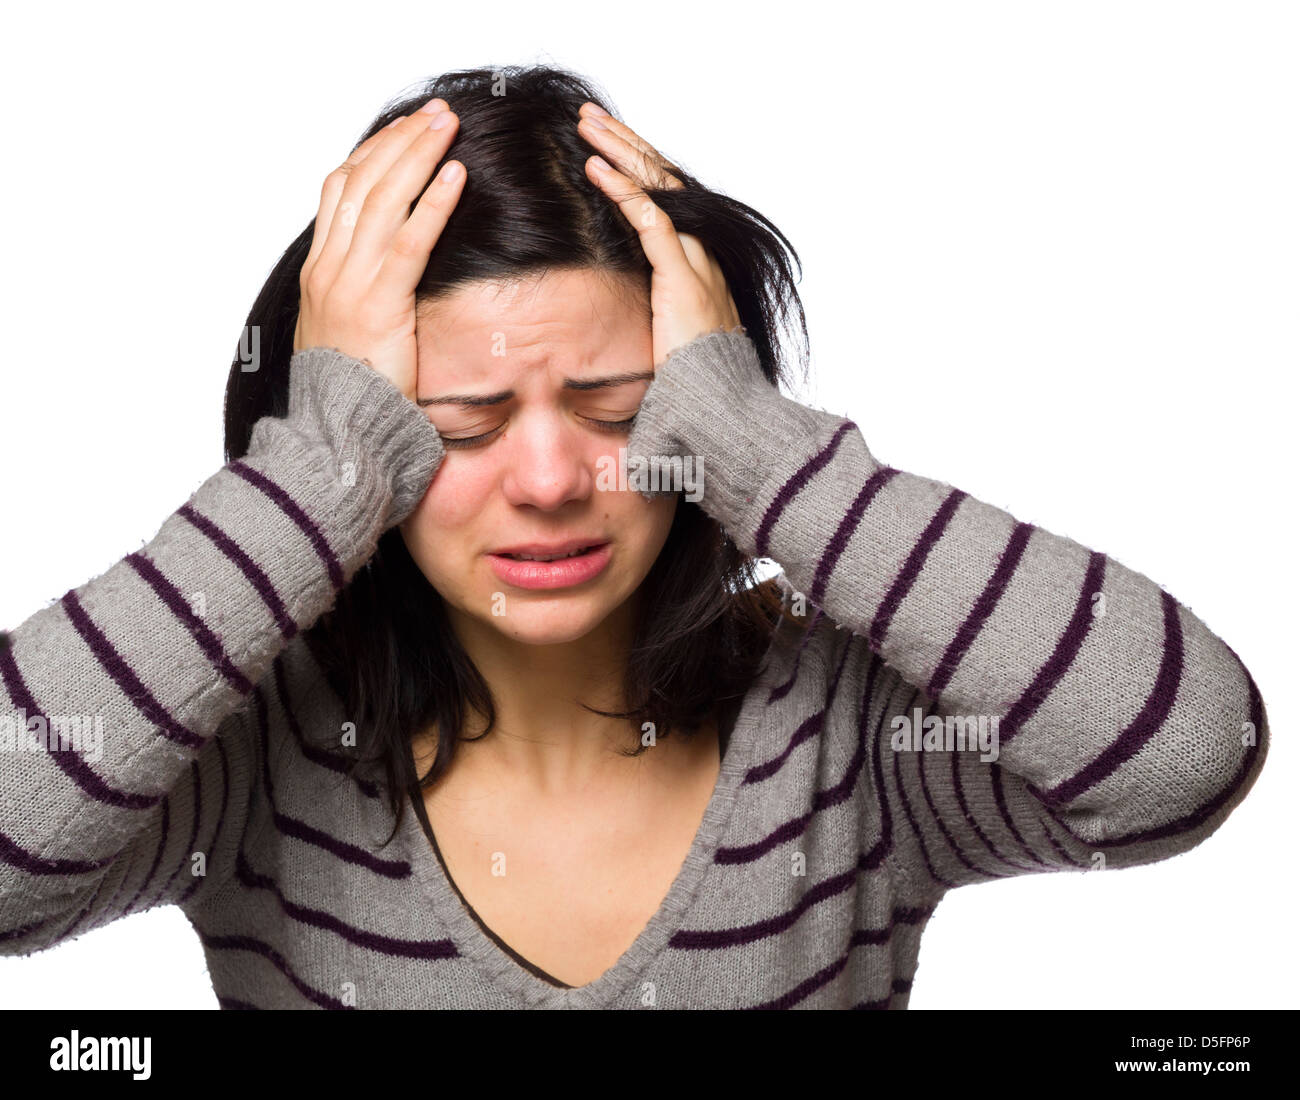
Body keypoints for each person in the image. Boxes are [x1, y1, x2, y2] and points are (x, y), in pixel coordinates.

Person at [0, 65, 1268, 1009]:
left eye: (618, 408)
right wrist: (314, 478)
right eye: (458, 421)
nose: (550, 479)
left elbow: (1189, 753)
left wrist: (760, 448)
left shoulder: (850, 742)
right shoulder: (250, 751)